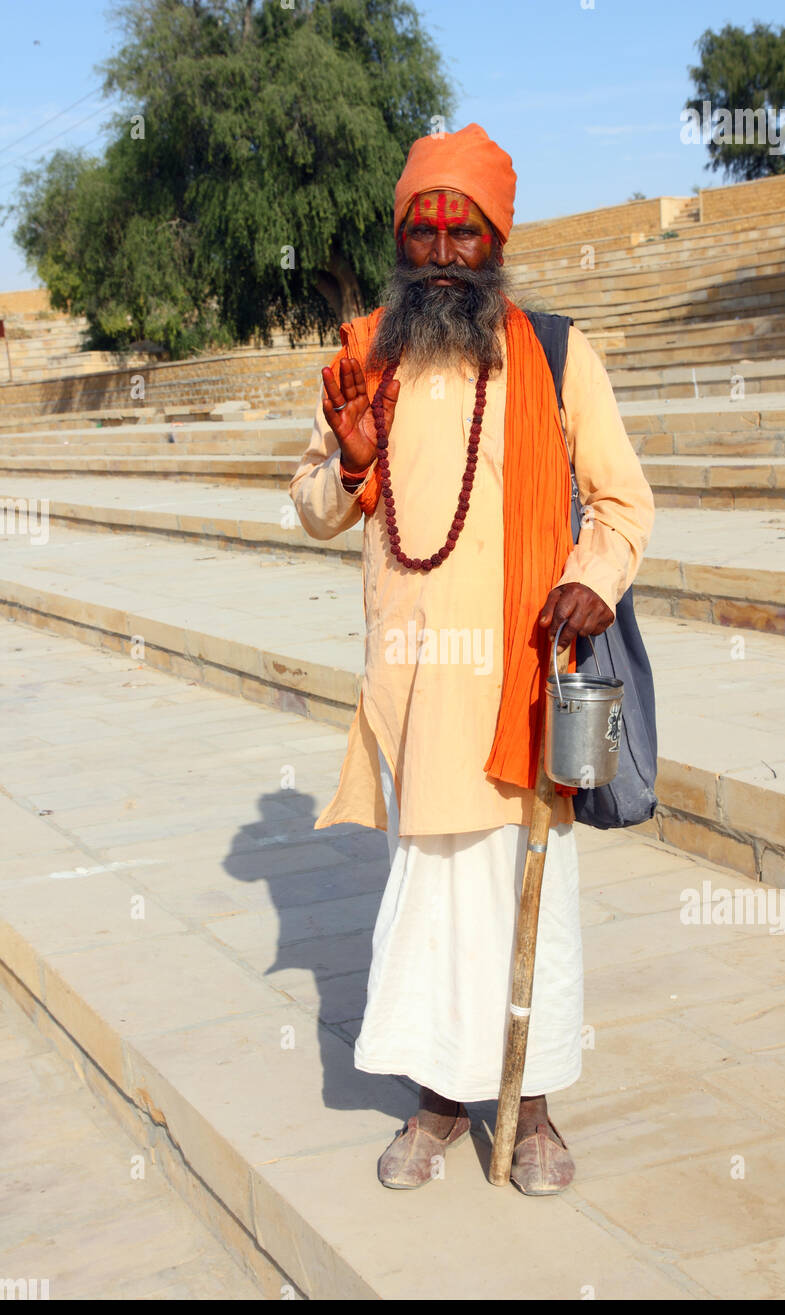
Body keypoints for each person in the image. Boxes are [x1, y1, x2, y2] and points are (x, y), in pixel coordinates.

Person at [289, 123, 654, 1195]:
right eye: (425, 229)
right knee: (435, 899)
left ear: (495, 239)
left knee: (521, 891)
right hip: (413, 691)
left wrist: (595, 573)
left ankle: (530, 1110)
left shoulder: (550, 348)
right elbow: (309, 504)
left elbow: (624, 503)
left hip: (520, 687)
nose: (443, 249)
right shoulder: (363, 354)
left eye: (464, 231)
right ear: (401, 237)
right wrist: (349, 463)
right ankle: (441, 1103)